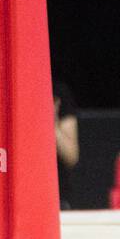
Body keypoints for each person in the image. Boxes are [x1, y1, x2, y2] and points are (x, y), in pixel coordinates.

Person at [53, 79, 79, 210]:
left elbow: (71, 156)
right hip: (18, 193)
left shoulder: (58, 92)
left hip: (57, 198)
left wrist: (51, 122)